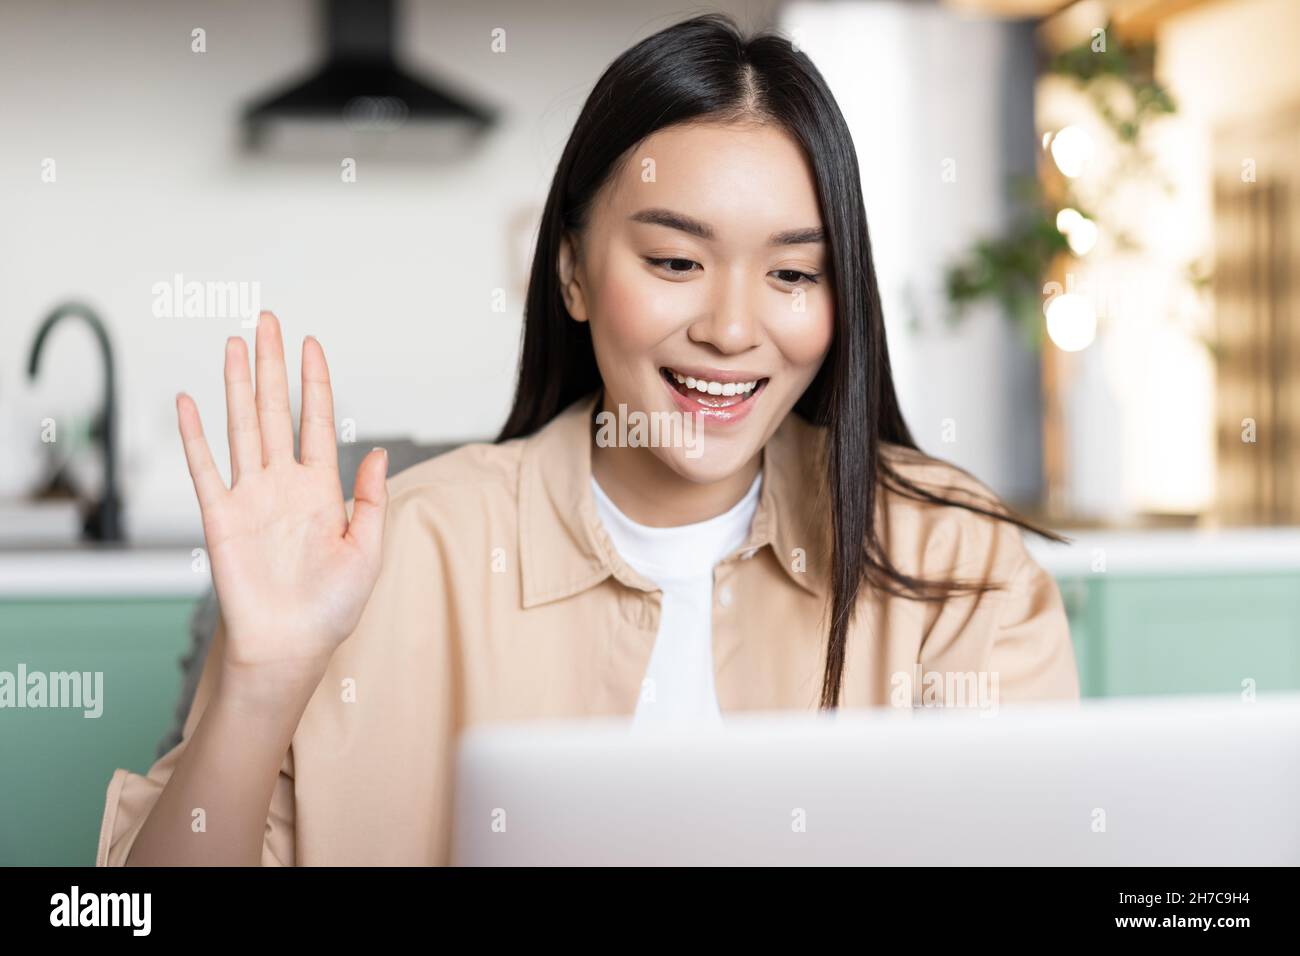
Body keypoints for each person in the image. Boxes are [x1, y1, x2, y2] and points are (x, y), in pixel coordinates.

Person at [98, 13, 1077, 867]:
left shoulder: (950, 557)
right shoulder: (390, 561)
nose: (733, 329)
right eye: (674, 259)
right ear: (571, 271)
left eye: (792, 275)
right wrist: (258, 686)